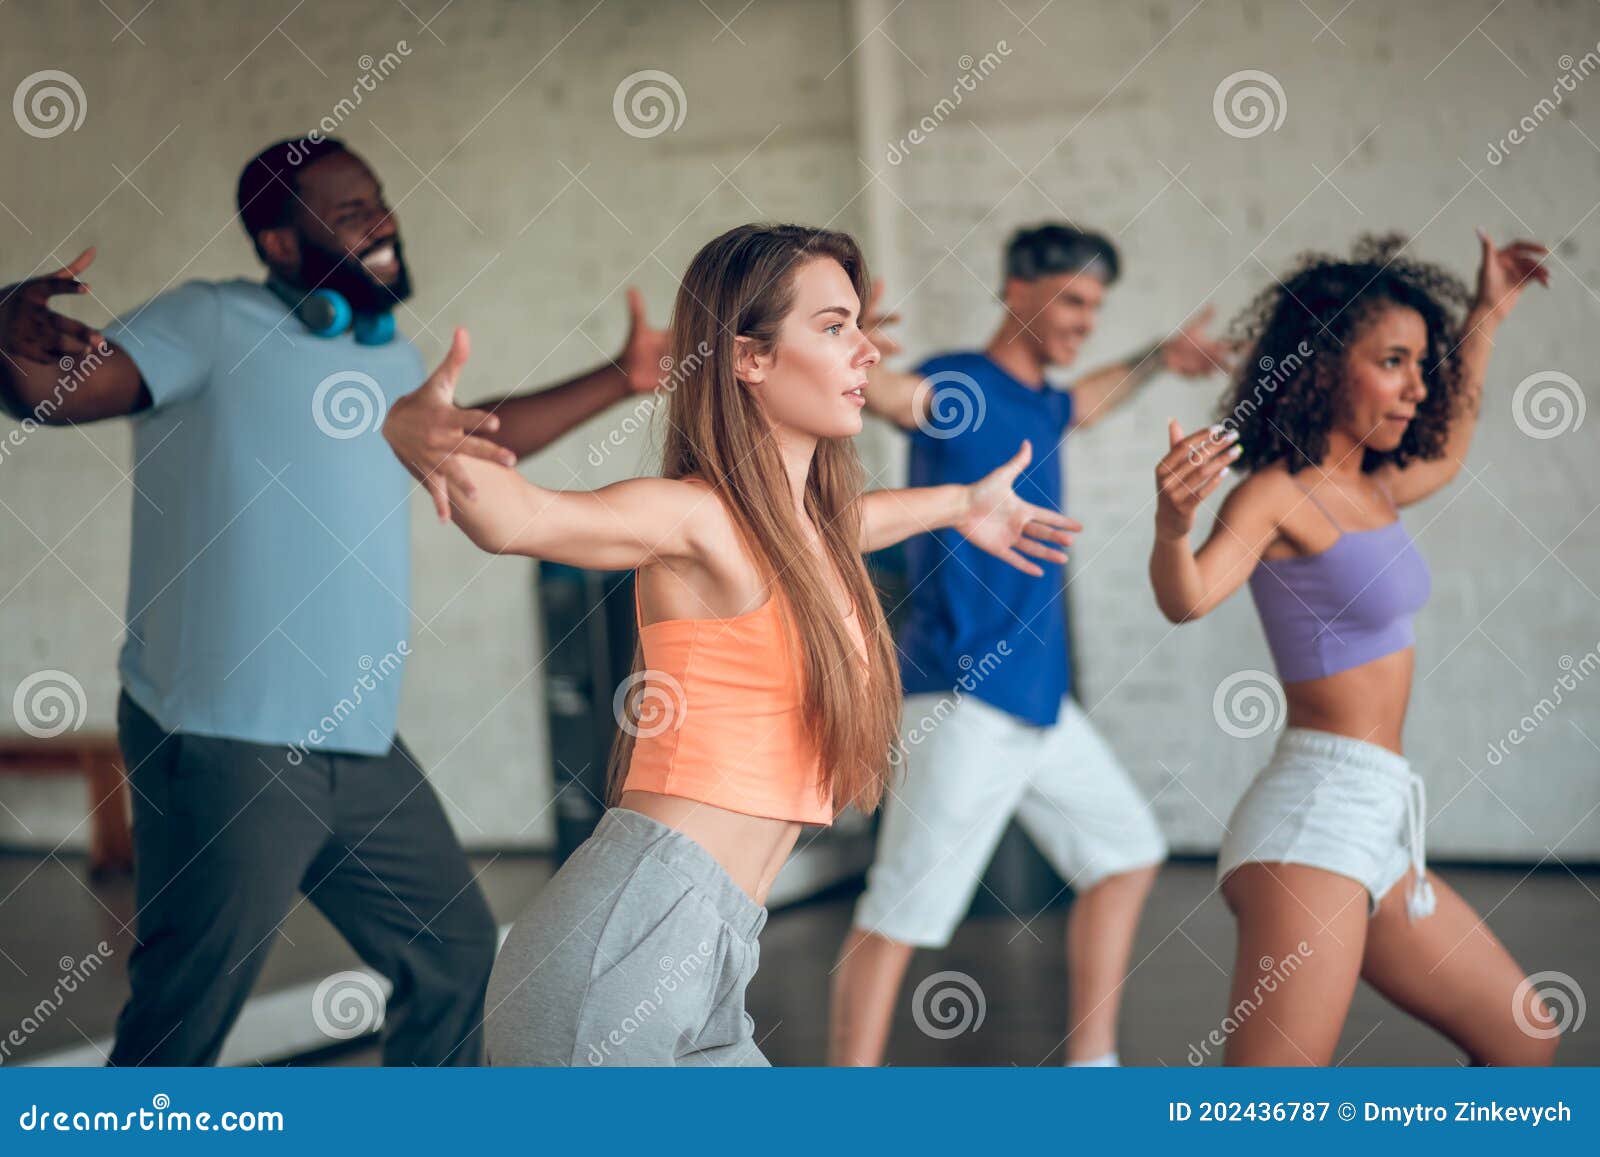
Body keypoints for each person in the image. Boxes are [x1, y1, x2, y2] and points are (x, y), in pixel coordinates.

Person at [0, 136, 669, 1066]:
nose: (383, 221)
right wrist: (8, 326)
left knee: (454, 957)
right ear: (280, 243)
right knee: (185, 1014)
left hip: (358, 742)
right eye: (351, 213)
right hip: (225, 739)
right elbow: (52, 390)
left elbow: (476, 436)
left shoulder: (387, 357)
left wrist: (621, 378)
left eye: (380, 200)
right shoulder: (210, 321)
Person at [384, 222, 1079, 1066]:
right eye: (834, 327)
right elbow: (517, 517)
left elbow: (853, 524)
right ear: (748, 358)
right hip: (622, 949)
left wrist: (964, 502)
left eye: (859, 325)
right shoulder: (693, 517)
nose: (867, 351)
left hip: (713, 948)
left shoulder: (801, 534)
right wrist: (415, 434)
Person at [1148, 230, 1557, 1066]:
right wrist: (1171, 525)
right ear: (1325, 367)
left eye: (1421, 364)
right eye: (1394, 362)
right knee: (1267, 1107)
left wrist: (1487, 314)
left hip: (1380, 811)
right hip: (1313, 817)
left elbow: (1450, 447)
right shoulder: (1275, 494)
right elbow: (1187, 598)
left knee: (1524, 1036)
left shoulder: (1374, 486)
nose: (1417, 386)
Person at [829, 223, 1231, 1067]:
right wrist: (841, 346)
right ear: (1017, 289)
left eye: (1096, 306)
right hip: (964, 700)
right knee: (898, 913)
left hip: (1040, 702)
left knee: (1127, 853)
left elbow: (1087, 399)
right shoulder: (960, 386)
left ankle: (1092, 1068)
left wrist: (1161, 355)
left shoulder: (1044, 403)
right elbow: (894, 396)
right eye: (1072, 300)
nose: (1086, 320)